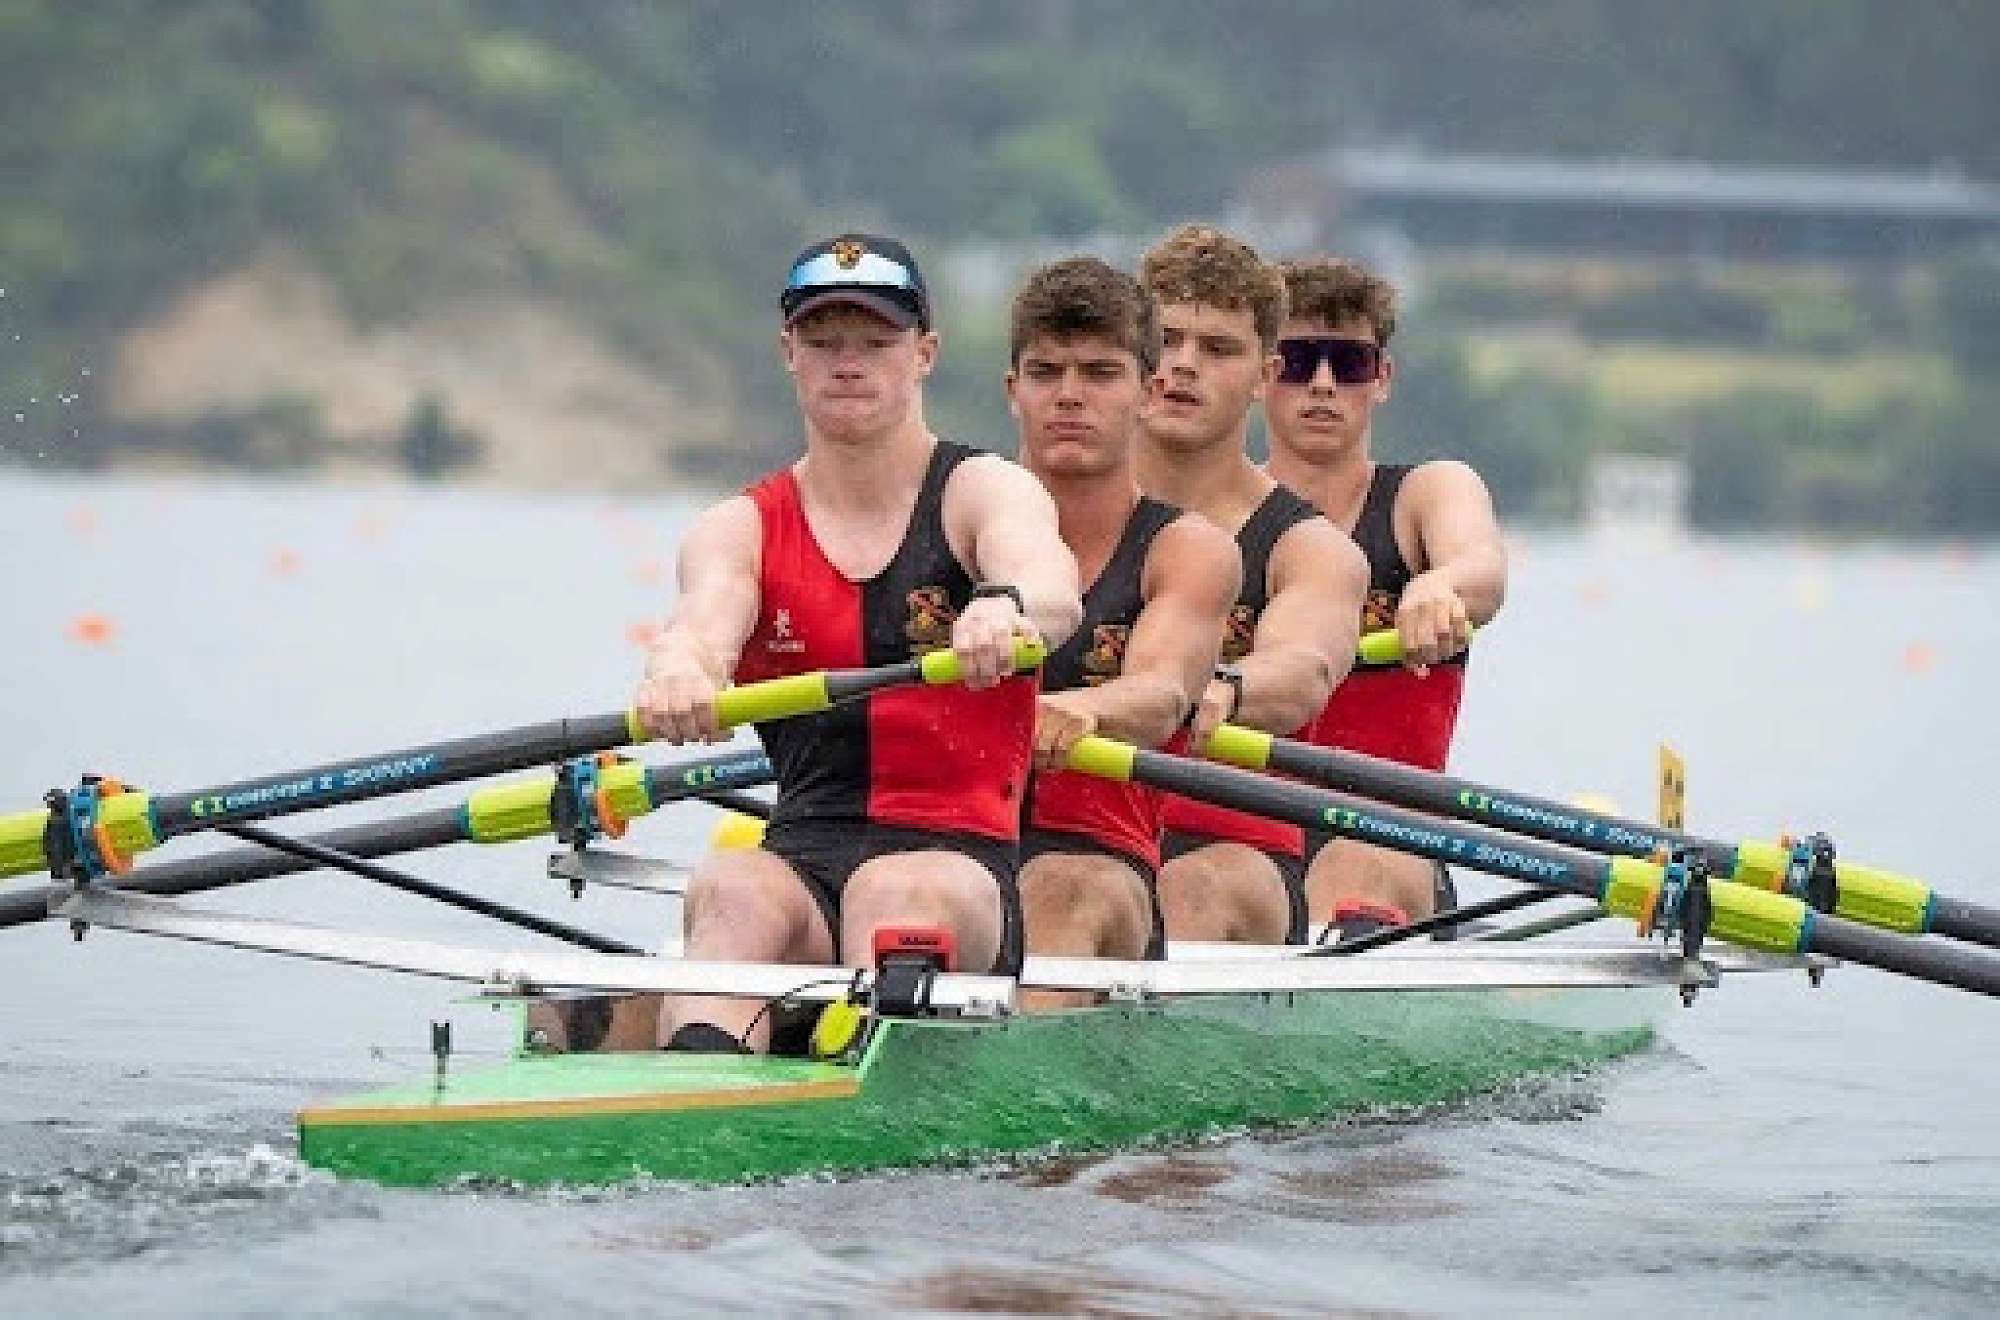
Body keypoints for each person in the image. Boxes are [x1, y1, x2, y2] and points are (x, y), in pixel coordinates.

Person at [631, 233, 1082, 1052]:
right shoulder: (740, 526)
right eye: (823, 342)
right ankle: (699, 1098)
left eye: (876, 343)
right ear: (788, 354)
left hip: (959, 861)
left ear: (925, 355)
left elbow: (1049, 583)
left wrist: (1006, 607)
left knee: (893, 889)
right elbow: (704, 624)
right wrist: (678, 670)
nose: (849, 363)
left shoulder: (984, 489)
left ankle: (867, 1081)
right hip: (802, 855)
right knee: (729, 887)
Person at [1006, 257, 1240, 1004]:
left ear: (1147, 391)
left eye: (1100, 373)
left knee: (1057, 890)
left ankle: (998, 1104)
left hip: (1097, 862)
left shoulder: (1187, 550)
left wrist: (1085, 709)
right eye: (1047, 372)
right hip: (938, 854)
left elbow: (1164, 691)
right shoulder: (953, 517)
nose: (1070, 396)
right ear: (1014, 391)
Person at [1135, 225, 1367, 946]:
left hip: (1234, 855)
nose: (1182, 366)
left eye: (1217, 348)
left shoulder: (1311, 549)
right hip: (1068, 838)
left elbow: (1306, 668)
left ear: (1266, 376)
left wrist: (1223, 688)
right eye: (1166, 340)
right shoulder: (1042, 511)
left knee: (1193, 889)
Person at [1263, 257, 1506, 938]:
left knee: (1362, 855)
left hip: (1390, 844)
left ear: (1383, 380)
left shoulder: (1426, 495)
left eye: (1349, 363)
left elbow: (1481, 568)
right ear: (1259, 374)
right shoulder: (1216, 522)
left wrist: (1438, 585)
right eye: (1297, 359)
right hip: (1243, 839)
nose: (1321, 384)